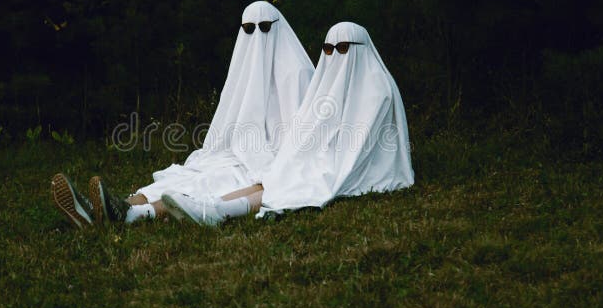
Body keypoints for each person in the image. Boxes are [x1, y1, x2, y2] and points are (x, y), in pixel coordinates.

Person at [51, 1, 314, 228]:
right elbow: (230, 120)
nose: (256, 36)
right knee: (189, 176)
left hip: (271, 162)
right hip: (234, 155)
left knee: (212, 184)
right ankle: (113, 206)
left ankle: (133, 214)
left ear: (277, 27)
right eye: (248, 29)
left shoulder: (296, 73)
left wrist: (266, 160)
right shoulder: (245, 68)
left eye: (264, 27)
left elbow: (304, 134)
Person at [161, 21, 414, 225]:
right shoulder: (330, 87)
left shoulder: (378, 88)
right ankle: (211, 206)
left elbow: (365, 143)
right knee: (279, 176)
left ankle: (221, 210)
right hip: (325, 156)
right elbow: (313, 127)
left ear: (361, 48)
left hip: (355, 164)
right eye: (328, 49)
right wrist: (300, 156)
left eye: (343, 48)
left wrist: (322, 162)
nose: (335, 55)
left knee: (297, 182)